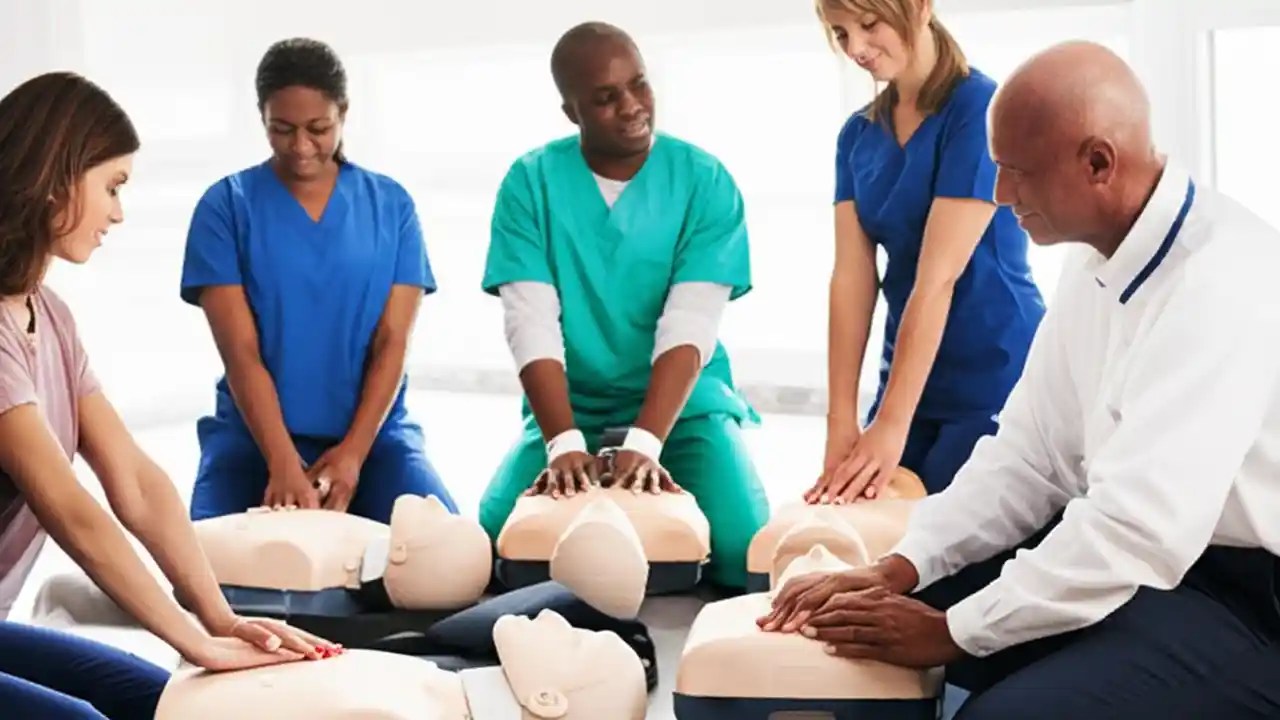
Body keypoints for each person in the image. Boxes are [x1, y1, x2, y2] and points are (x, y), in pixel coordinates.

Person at [760, 42, 1280, 718]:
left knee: (997, 711)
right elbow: (1031, 458)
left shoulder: (1221, 279)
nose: (1001, 195)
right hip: (1154, 568)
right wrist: (902, 564)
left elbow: (1140, 529)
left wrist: (953, 632)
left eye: (1016, 173)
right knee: (879, 616)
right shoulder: (1098, 258)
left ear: (1098, 164)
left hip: (1249, 605)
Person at [0, 71, 340, 719]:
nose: (118, 213)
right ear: (54, 178)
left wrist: (218, 618)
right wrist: (190, 639)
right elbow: (69, 508)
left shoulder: (50, 316)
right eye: (112, 186)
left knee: (159, 699)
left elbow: (133, 478)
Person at [477, 22, 770, 591]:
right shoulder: (530, 183)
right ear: (572, 111)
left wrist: (646, 442)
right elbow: (530, 323)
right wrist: (563, 442)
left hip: (684, 408)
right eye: (606, 97)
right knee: (490, 545)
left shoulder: (704, 181)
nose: (632, 106)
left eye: (638, 84)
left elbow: (690, 321)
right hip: (572, 405)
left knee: (745, 551)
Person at [180, 38, 458, 523]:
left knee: (450, 549)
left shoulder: (391, 206)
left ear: (343, 114)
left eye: (318, 128)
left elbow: (392, 342)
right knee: (204, 560)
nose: (302, 146)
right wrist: (282, 462)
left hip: (374, 437)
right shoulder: (225, 207)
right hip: (253, 437)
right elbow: (240, 352)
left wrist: (353, 454)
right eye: (282, 129)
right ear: (262, 117)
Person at [809, 0, 1045, 503]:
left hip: (996, 373)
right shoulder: (856, 135)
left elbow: (938, 278)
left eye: (868, 24)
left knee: (936, 529)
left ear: (919, 7)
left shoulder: (979, 110)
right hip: (907, 378)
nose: (856, 48)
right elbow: (852, 278)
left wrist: (891, 425)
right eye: (841, 34)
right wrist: (842, 422)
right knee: (858, 513)